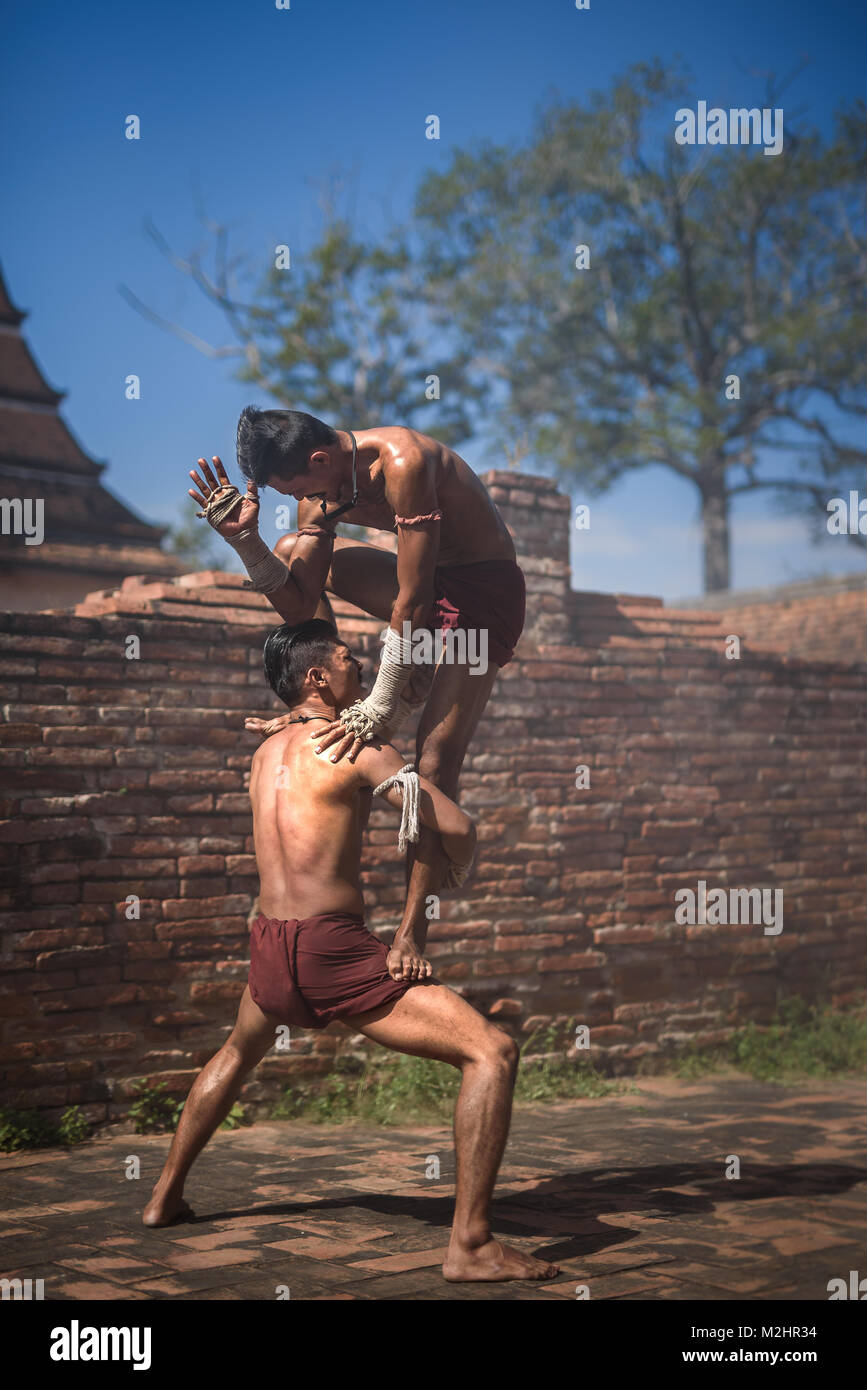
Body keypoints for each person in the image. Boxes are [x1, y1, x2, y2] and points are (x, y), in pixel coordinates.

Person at [143, 620, 558, 1284]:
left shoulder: (263, 751)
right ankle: (471, 1245)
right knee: (492, 1050)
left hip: (271, 944)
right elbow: (451, 824)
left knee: (236, 1050)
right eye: (346, 659)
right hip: (331, 950)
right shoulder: (357, 747)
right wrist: (453, 858)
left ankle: (163, 1196)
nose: (360, 667)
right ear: (317, 678)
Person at [187, 410, 526, 933]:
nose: (287, 498)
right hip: (425, 591)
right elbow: (302, 608)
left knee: (433, 762)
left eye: (289, 486)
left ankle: (413, 934)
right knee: (287, 549)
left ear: (320, 460)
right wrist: (243, 542)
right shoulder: (316, 494)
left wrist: (384, 703)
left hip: (482, 597)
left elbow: (412, 601)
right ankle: (330, 704)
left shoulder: (403, 462)